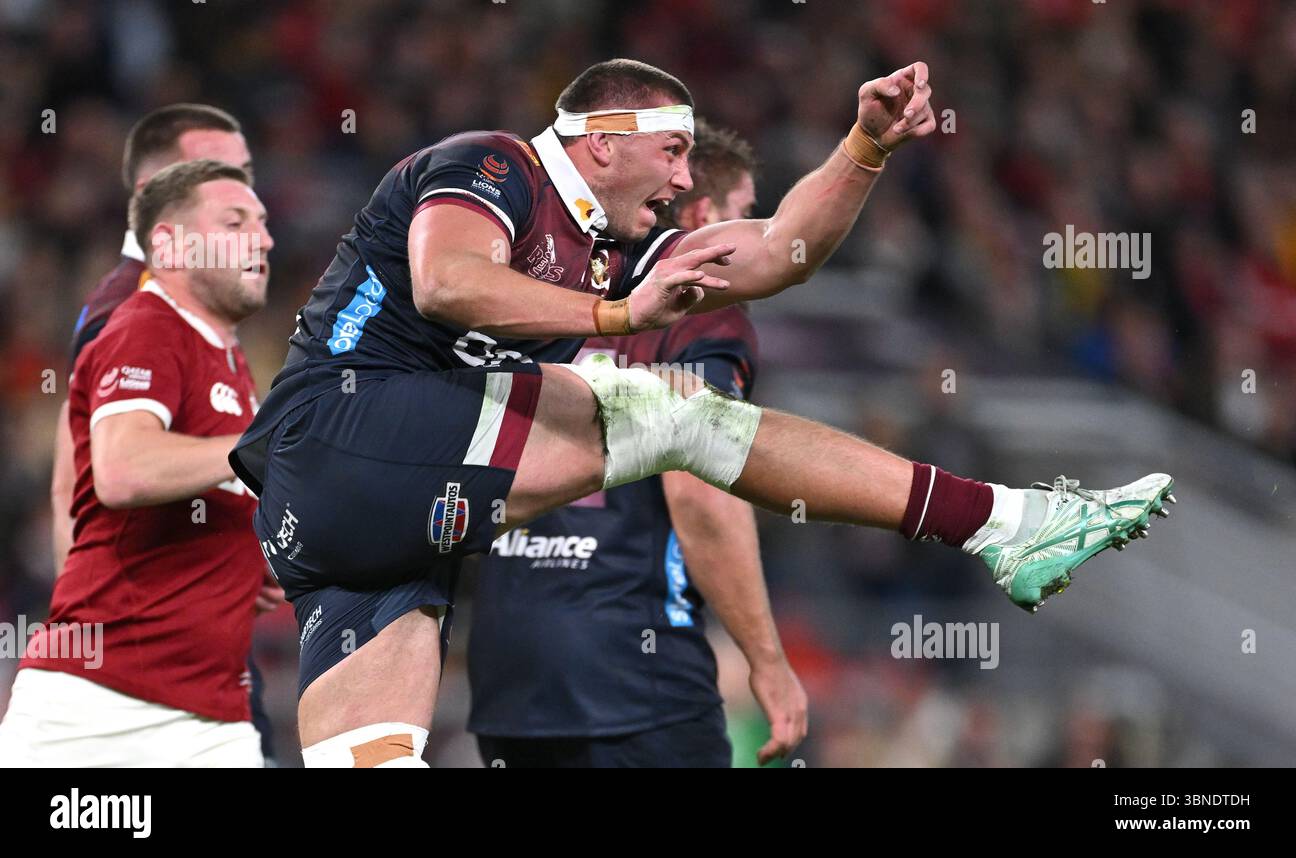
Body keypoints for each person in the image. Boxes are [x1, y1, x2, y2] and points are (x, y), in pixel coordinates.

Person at [229, 58, 1174, 768]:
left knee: (372, 756)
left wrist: (866, 148)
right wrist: (614, 318)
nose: (684, 178)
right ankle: (999, 521)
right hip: (344, 429)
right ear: (603, 140)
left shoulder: (614, 253)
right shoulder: (495, 167)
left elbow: (778, 253)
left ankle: (1002, 523)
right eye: (672, 150)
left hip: (352, 520)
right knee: (680, 415)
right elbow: (445, 283)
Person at [469, 119, 806, 768]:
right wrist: (767, 661)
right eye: (744, 215)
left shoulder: (542, 294)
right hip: (636, 675)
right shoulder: (706, 306)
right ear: (707, 218)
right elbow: (700, 484)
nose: (754, 236)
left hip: (510, 676)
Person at [0, 160, 275, 766]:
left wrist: (247, 558)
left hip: (211, 713)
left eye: (262, 221)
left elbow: (197, 487)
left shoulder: (229, 363)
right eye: (235, 221)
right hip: (97, 709)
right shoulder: (148, 326)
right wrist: (257, 449)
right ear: (171, 244)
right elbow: (123, 469)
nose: (263, 236)